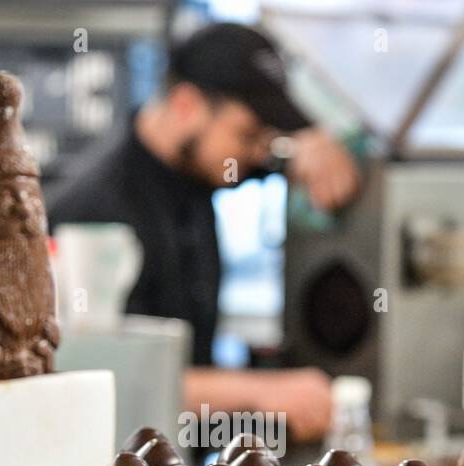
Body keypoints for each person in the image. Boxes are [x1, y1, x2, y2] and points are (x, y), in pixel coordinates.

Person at [47, 22, 361, 441]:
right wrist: (266, 395)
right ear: (185, 105)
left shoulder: (196, 169)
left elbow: (278, 160)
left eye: (266, 141)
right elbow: (108, 375)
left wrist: (314, 145)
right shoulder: (95, 212)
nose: (255, 155)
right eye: (248, 135)